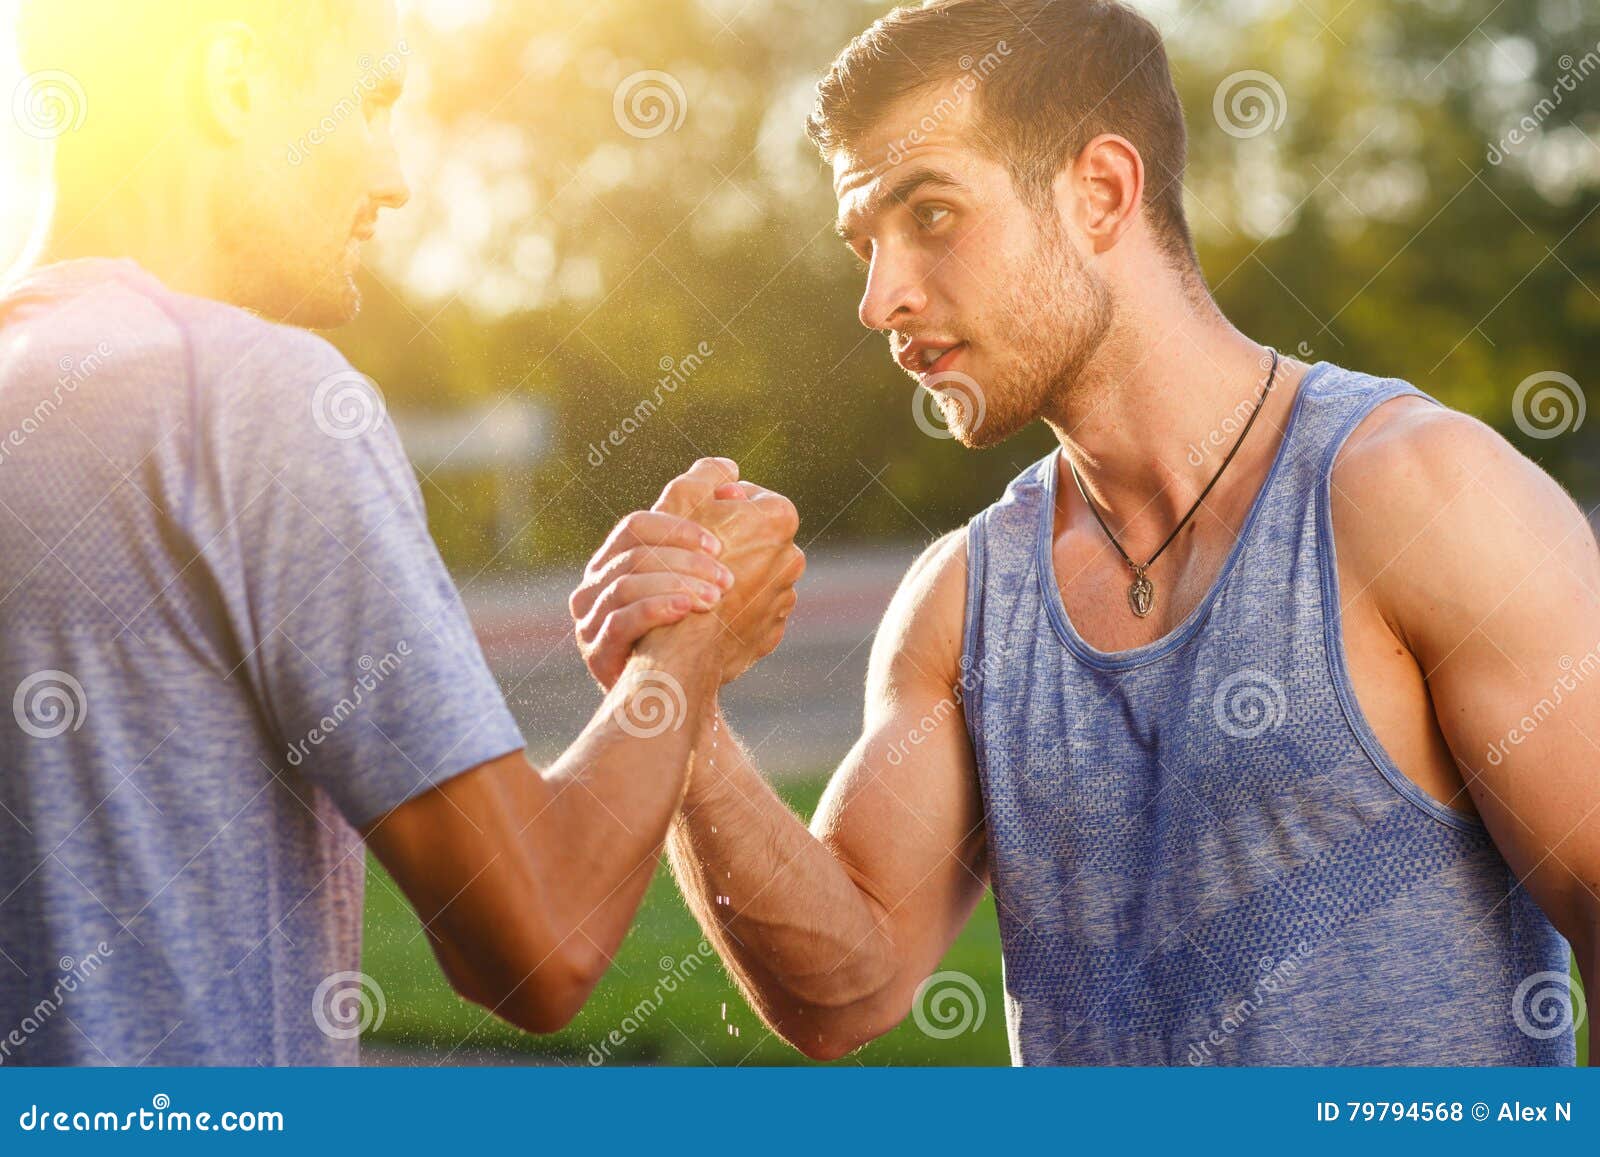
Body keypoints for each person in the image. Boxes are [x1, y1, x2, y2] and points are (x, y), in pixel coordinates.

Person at [571, 0, 1600, 1065]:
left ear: (1101, 192)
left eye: (927, 215)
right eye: (862, 244)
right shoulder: (965, 598)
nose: (879, 298)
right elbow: (845, 987)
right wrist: (676, 695)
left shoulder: (1413, 490)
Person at [0, 0, 803, 1065]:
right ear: (236, 80)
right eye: (372, 103)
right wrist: (695, 625)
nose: (395, 177)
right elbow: (537, 940)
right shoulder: (248, 397)